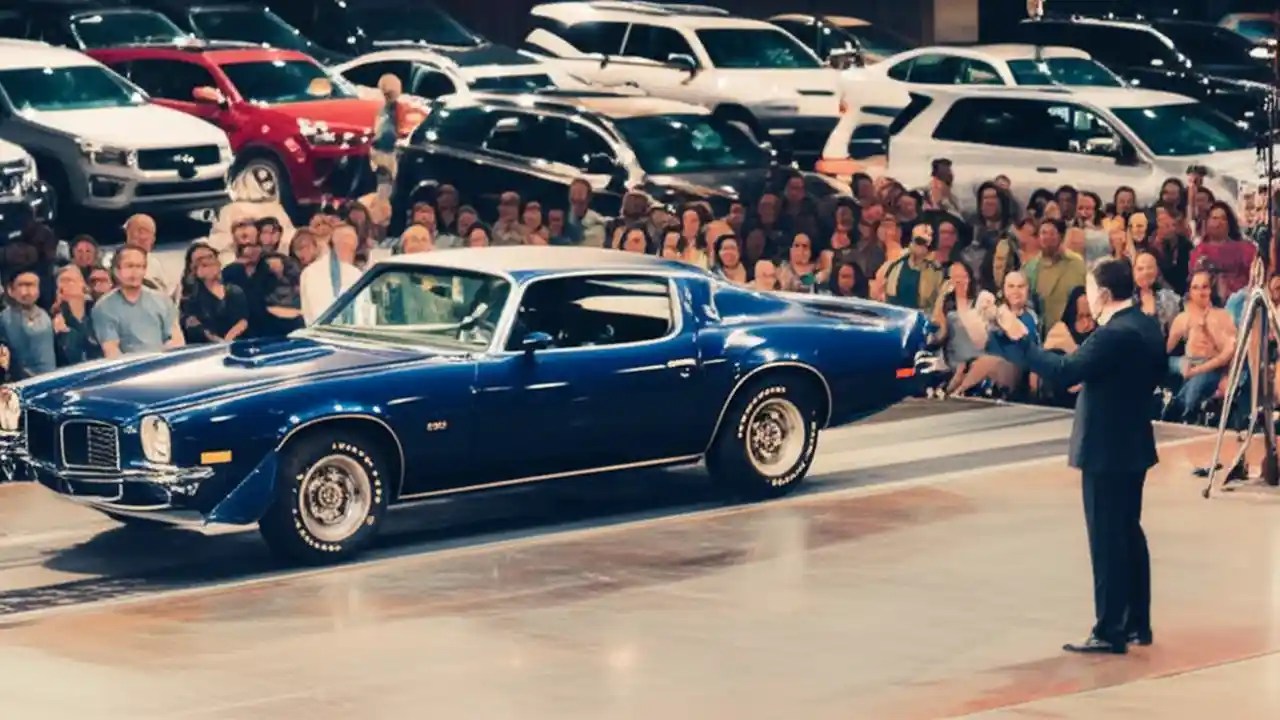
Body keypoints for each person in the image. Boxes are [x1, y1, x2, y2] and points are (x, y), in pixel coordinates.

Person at [995, 257, 1165, 654]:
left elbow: (1067, 370)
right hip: (1133, 441)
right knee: (1128, 533)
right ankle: (1137, 621)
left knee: (1107, 538)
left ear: (1104, 293)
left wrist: (1022, 341)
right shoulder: (1144, 325)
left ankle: (1109, 630)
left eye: (1090, 289)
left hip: (1107, 446)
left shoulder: (1114, 334)